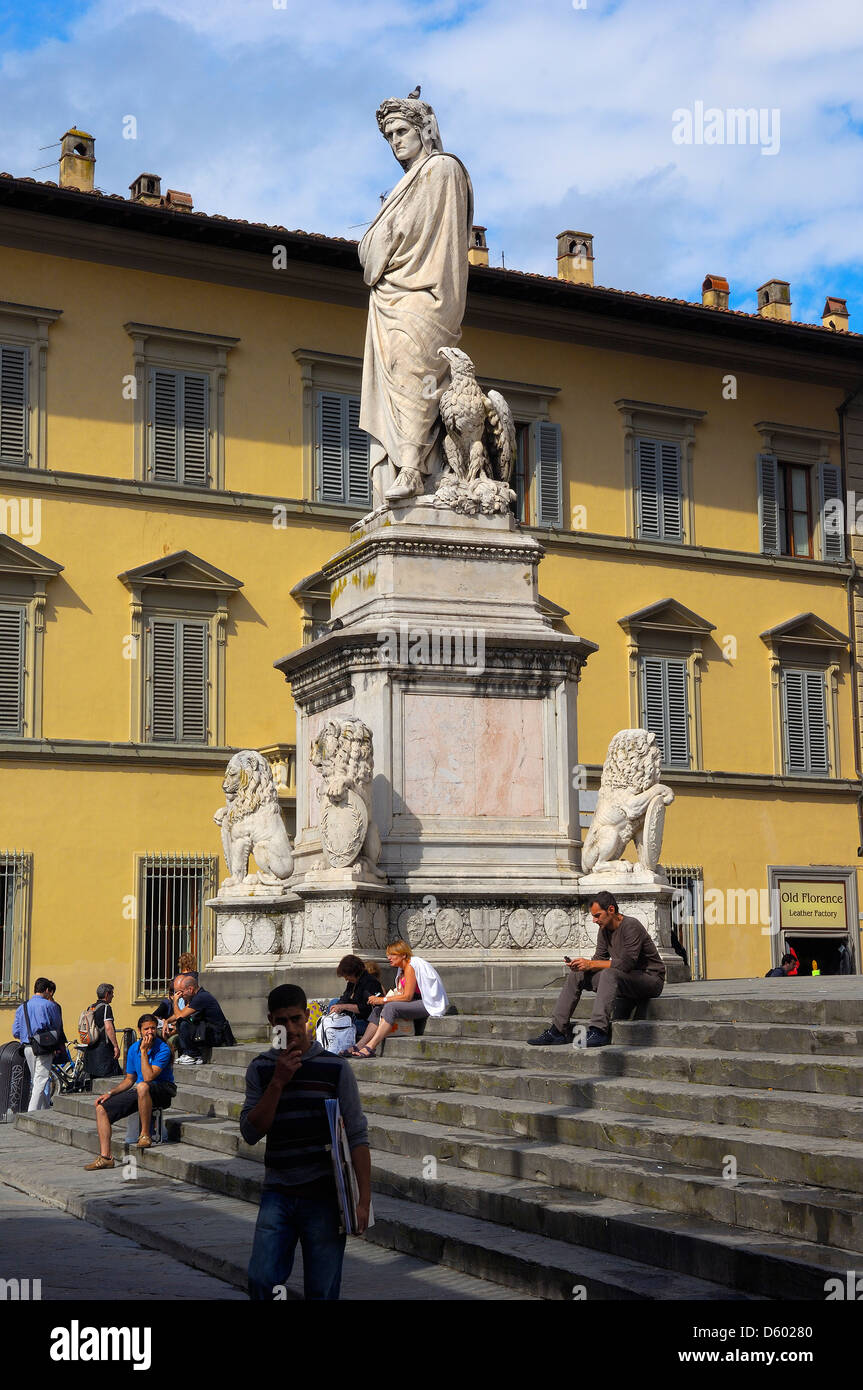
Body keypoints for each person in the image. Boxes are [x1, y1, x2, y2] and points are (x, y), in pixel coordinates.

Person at [358, 92, 473, 506]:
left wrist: (378, 237)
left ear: (426, 129)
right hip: (392, 299)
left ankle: (411, 467)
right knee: (395, 374)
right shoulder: (406, 185)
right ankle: (405, 470)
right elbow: (373, 257)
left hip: (426, 298)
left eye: (402, 131)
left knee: (413, 371)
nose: (395, 142)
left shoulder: (442, 170)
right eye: (389, 135)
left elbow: (383, 246)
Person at [241, 983, 371, 1301]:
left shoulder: (336, 1068)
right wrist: (278, 1081)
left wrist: (364, 1200)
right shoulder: (261, 1068)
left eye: (297, 1019)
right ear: (272, 1022)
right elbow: (251, 1131)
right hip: (278, 1193)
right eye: (282, 1021)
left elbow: (356, 1134)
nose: (291, 1028)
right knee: (261, 1281)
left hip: (324, 1196)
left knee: (322, 1291)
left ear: (308, 1018)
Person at [527, 892, 666, 1048]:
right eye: (593, 916)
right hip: (624, 979)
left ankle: (599, 1031)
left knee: (608, 974)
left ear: (611, 910)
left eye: (597, 915)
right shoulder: (604, 930)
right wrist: (581, 965)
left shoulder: (631, 925)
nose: (594, 920)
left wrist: (592, 965)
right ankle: (557, 1031)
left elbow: (626, 964)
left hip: (650, 979)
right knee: (577, 975)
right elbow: (599, 959)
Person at [84, 1013, 176, 1169]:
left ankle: (145, 1135)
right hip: (141, 1091)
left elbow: (148, 1077)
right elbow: (129, 1079)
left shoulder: (163, 1048)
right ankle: (106, 1157)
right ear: (139, 1030)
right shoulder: (134, 1049)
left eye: (153, 1028)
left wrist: (145, 1052)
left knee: (143, 1086)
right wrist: (111, 1093)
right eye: (146, 1029)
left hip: (163, 1090)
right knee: (101, 1108)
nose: (150, 1032)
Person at [349, 941, 449, 1058]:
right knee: (379, 1009)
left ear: (404, 955)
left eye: (393, 954)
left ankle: (371, 1046)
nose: (388, 958)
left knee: (390, 1006)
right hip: (414, 1001)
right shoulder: (402, 968)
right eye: (388, 954)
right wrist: (382, 1001)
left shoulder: (411, 966)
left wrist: (383, 999)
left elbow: (407, 996)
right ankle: (360, 1044)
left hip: (427, 1003)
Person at [12, 977, 63, 1112]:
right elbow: (57, 1027)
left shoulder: (22, 1007)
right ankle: (31, 1113)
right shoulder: (49, 1005)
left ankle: (45, 1108)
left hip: (27, 1047)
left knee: (37, 1080)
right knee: (40, 1081)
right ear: (46, 990)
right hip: (44, 1047)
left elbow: (15, 1031)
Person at [160, 974, 235, 1064]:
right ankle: (189, 1053)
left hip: (218, 1036)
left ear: (190, 989)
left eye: (181, 992)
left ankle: (192, 1054)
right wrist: (167, 1021)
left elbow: (180, 1016)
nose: (180, 995)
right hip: (210, 1032)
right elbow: (182, 1012)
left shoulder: (201, 997)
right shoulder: (196, 997)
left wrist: (175, 1002)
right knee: (183, 1022)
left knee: (182, 1023)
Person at [327, 955, 381, 1048]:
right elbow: (345, 997)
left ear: (353, 972)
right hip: (352, 1016)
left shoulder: (370, 983)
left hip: (365, 1021)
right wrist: (338, 1006)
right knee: (333, 1002)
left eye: (347, 976)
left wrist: (344, 1007)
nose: (346, 979)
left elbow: (367, 1009)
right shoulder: (352, 983)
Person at [82, 983, 122, 1079]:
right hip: (103, 1049)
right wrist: (116, 1046)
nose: (113, 996)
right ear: (107, 994)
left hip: (91, 1048)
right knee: (109, 1079)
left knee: (94, 1080)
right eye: (112, 993)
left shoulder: (91, 1007)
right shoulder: (106, 1007)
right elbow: (108, 1027)